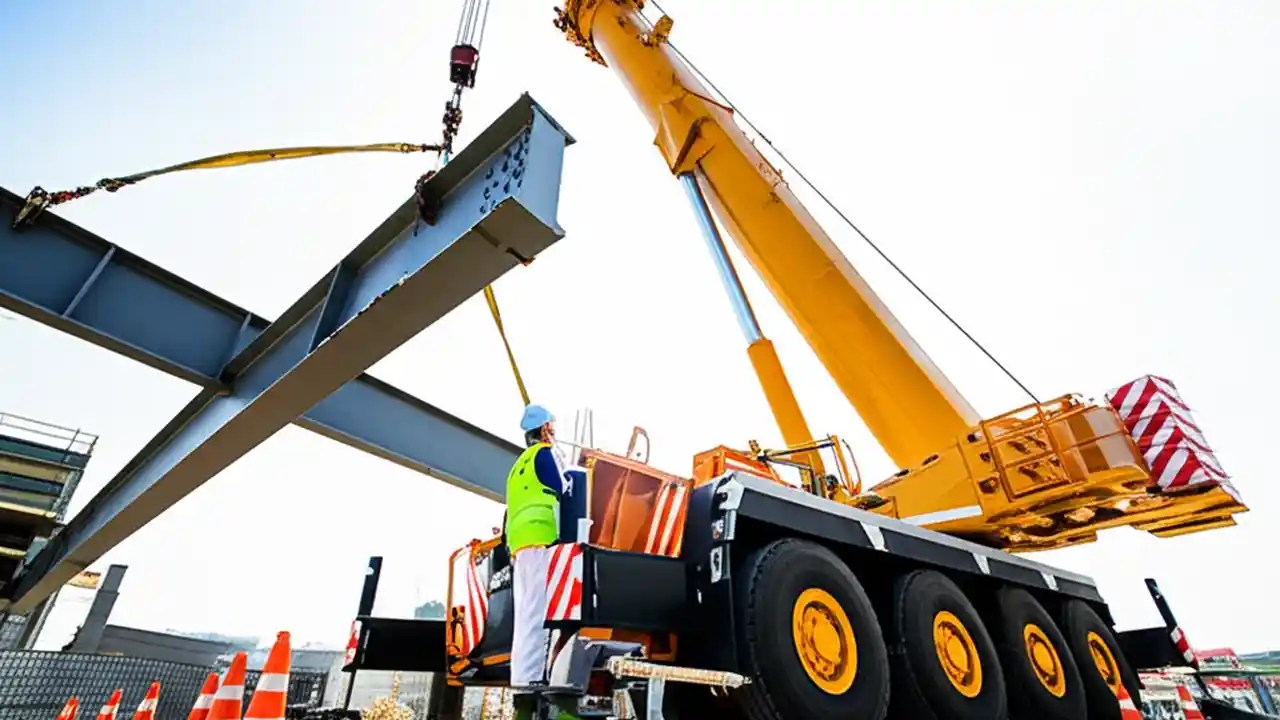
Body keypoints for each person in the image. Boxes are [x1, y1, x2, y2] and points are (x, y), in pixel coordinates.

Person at [506, 402, 568, 693]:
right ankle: (532, 679)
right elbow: (562, 487)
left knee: (525, 612)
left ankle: (521, 678)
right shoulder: (543, 455)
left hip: (519, 543)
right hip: (540, 538)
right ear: (544, 429)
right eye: (552, 426)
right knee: (539, 611)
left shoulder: (517, 466)